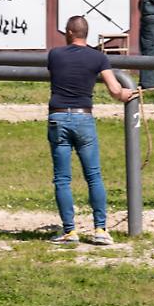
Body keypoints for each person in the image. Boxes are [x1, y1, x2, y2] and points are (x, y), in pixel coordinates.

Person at [46, 15, 135, 246]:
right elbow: (115, 90)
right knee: (93, 176)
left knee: (62, 179)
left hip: (57, 117)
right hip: (83, 117)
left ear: (68, 32)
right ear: (87, 34)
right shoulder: (99, 58)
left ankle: (69, 231)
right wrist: (127, 94)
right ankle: (100, 229)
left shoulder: (54, 55)